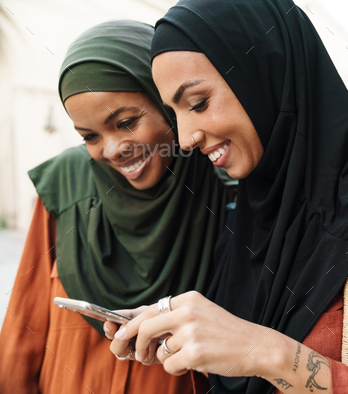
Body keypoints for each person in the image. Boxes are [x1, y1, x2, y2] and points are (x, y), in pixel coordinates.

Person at [110, 1, 348, 393]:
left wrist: (264, 351)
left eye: (197, 103)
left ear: (267, 73)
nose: (186, 136)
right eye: (175, 114)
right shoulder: (244, 215)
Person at [0, 20, 234, 394]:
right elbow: (23, 327)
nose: (111, 150)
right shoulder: (67, 183)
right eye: (90, 136)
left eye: (125, 123)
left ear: (166, 103)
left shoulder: (222, 188)